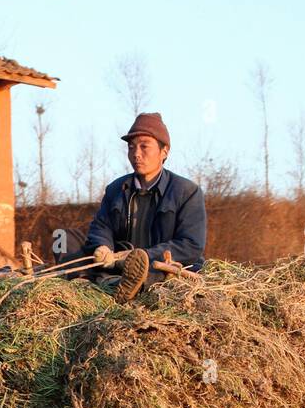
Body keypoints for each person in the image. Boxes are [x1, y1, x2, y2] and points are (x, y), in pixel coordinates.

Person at [72, 112, 207, 302]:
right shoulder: (116, 189)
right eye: (131, 147)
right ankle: (98, 284)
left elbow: (191, 245)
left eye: (144, 146)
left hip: (161, 267)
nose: (136, 154)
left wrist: (141, 256)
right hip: (118, 265)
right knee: (64, 238)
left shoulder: (187, 191)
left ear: (164, 151)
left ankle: (126, 286)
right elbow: (101, 226)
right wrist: (102, 246)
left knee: (162, 274)